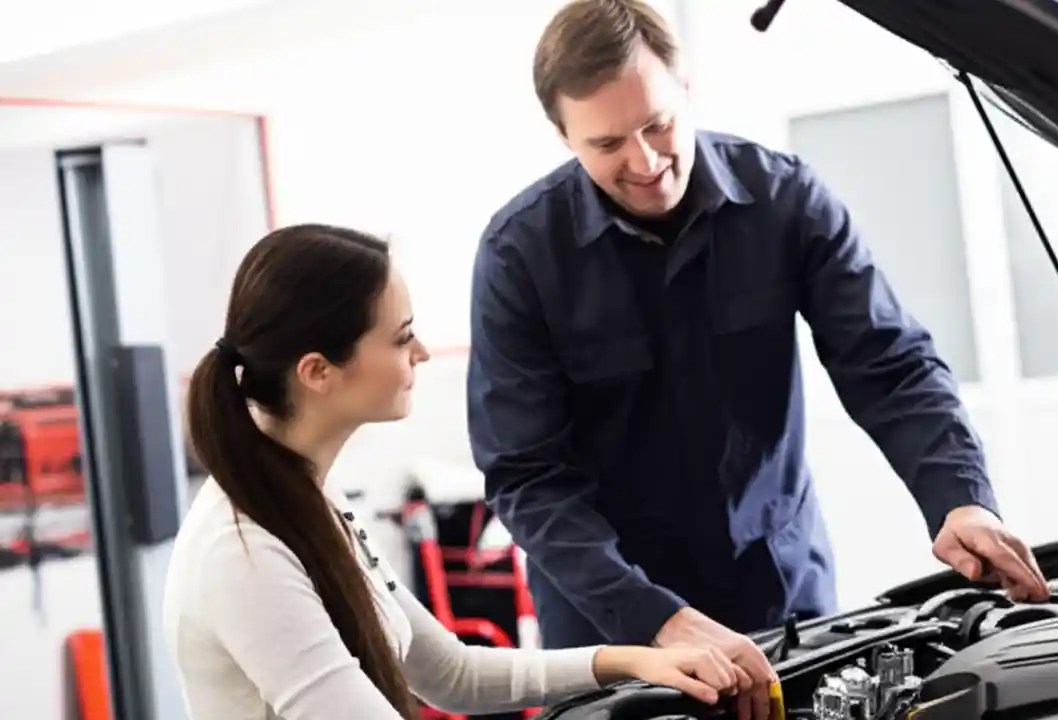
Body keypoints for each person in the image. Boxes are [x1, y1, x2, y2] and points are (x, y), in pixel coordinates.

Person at [466, 1, 1050, 717]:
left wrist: (958, 495)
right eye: (608, 143)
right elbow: (528, 477)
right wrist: (653, 618)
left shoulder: (785, 200)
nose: (645, 161)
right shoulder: (519, 256)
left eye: (658, 124)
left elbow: (888, 362)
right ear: (563, 136)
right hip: (612, 622)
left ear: (687, 90)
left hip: (778, 595)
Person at [163, 224, 751, 720]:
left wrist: (634, 661)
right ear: (318, 372)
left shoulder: (305, 496)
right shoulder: (244, 552)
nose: (419, 352)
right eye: (400, 337)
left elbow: (450, 672)